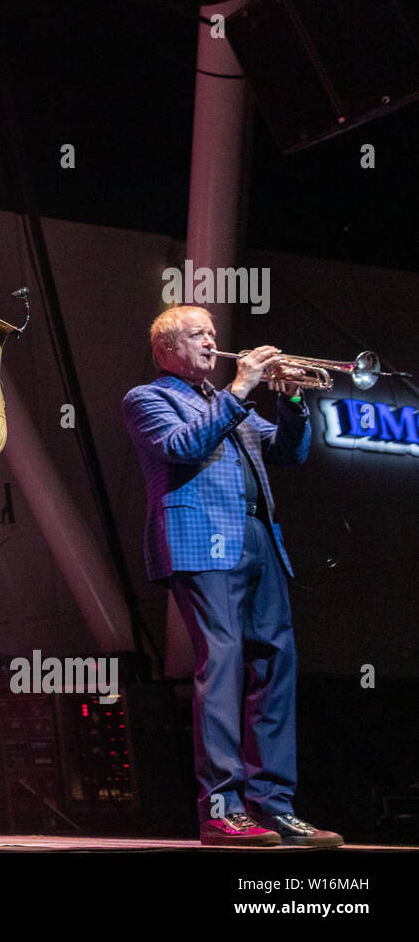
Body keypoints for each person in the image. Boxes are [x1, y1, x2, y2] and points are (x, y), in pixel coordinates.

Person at [122, 305, 342, 847]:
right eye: (198, 335)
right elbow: (182, 447)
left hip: (259, 538)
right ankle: (222, 806)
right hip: (201, 541)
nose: (212, 343)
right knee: (221, 664)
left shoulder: (224, 404)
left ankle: (273, 806)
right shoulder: (148, 399)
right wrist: (242, 387)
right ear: (165, 350)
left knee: (275, 663)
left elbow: (289, 452)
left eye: (213, 335)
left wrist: (291, 398)